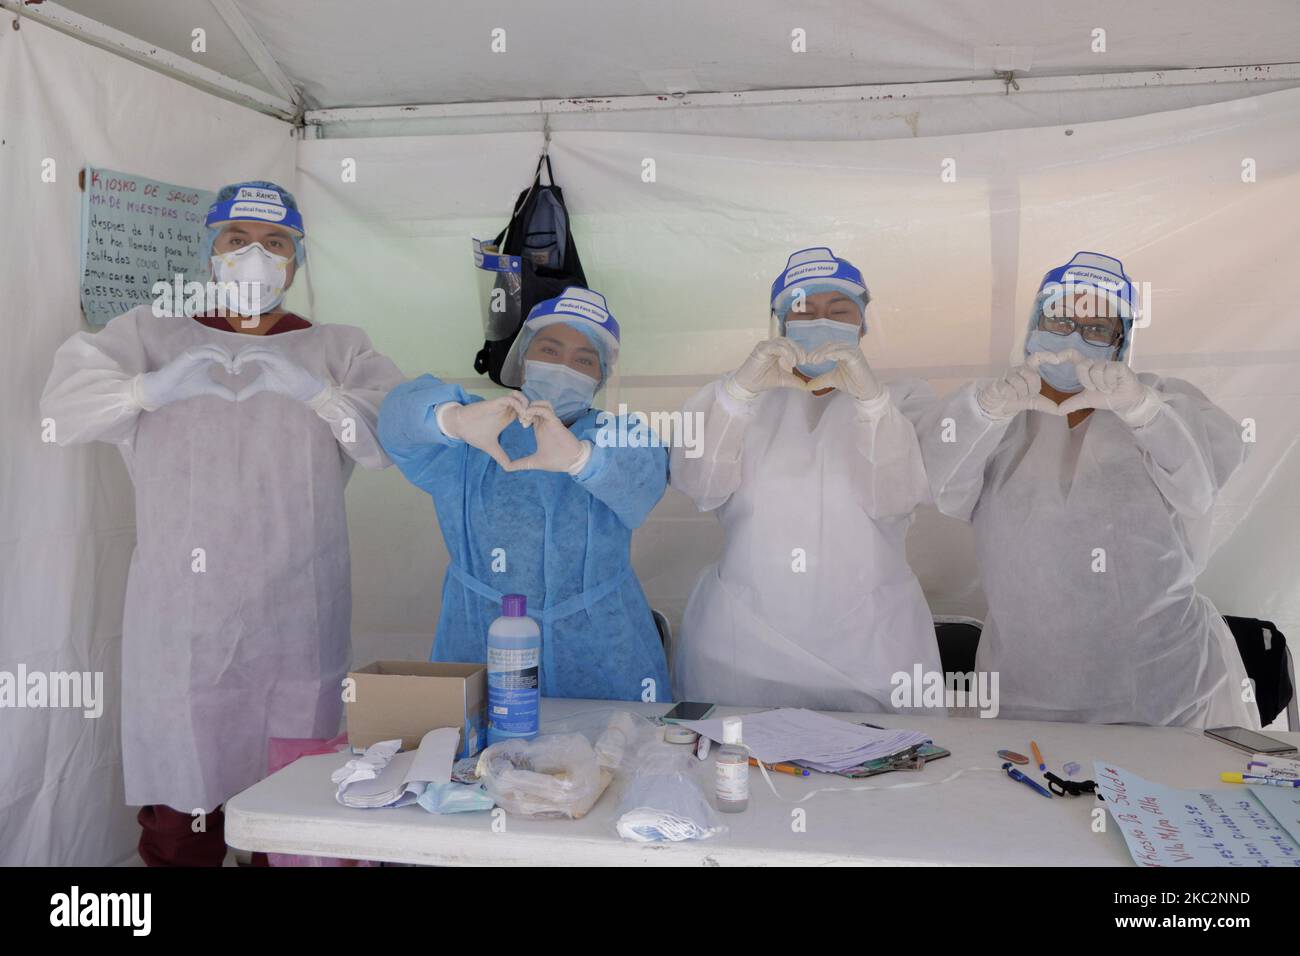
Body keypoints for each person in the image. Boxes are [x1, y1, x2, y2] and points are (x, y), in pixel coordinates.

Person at [40, 181, 404, 865]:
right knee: (184, 811)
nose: (255, 257)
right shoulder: (149, 337)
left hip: (300, 612)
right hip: (184, 623)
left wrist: (322, 394)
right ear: (210, 252)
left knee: (293, 806)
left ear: (296, 261)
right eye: (237, 241)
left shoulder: (337, 349)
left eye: (275, 243)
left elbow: (391, 444)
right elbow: (61, 411)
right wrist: (145, 388)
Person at [917, 251, 1257, 728]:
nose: (1074, 338)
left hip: (1160, 694)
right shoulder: (1002, 411)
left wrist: (1143, 411)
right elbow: (945, 488)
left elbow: (1198, 490)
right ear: (1034, 325)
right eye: (1059, 321)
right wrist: (985, 412)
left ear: (1123, 343)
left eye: (1097, 329)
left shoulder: (1165, 404)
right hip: (1024, 690)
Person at [669, 248, 941, 712]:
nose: (821, 319)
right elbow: (698, 483)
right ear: (779, 324)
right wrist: (738, 394)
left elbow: (893, 497)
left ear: (863, 323)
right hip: (742, 652)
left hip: (869, 654)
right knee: (739, 777)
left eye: (839, 310)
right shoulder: (737, 397)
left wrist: (872, 405)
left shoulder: (902, 401)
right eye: (802, 309)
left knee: (882, 776)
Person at [378, 287, 671, 702]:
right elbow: (396, 422)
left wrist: (583, 458)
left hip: (604, 652)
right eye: (550, 350)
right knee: (478, 759)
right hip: (478, 639)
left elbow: (643, 484)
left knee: (612, 757)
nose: (565, 366)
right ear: (522, 359)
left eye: (584, 359)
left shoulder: (619, 435)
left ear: (599, 377)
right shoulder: (479, 432)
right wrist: (452, 419)